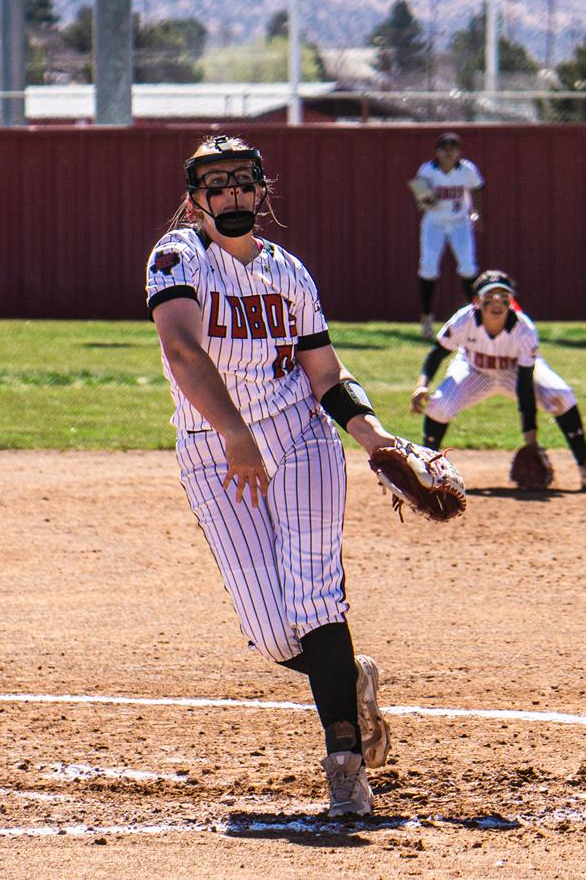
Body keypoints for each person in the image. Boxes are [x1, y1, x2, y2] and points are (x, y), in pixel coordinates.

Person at [146, 134, 401, 818]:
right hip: (214, 447)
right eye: (216, 185)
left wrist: (375, 440)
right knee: (273, 633)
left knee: (317, 593)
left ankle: (344, 764)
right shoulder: (178, 257)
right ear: (195, 196)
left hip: (298, 438)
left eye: (242, 183)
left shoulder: (288, 271)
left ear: (261, 191)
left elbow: (325, 371)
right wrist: (235, 433)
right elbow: (181, 347)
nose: (231, 196)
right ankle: (348, 678)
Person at [410, 269, 586, 492]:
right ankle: (427, 469)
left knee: (560, 394)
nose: (497, 302)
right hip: (474, 370)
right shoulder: (464, 319)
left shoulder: (524, 329)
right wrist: (422, 385)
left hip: (514, 372)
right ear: (477, 301)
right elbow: (438, 352)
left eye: (503, 296)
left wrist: (530, 436)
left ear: (510, 300)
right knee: (439, 405)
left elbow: (525, 385)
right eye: (490, 296)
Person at [411, 131, 483, 340]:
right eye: (445, 150)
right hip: (435, 222)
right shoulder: (428, 170)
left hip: (460, 221)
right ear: (438, 152)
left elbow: (477, 187)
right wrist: (425, 200)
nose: (449, 154)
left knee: (468, 266)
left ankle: (475, 316)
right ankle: (426, 318)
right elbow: (420, 196)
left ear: (459, 152)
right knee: (428, 267)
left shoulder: (466, 170)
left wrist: (476, 211)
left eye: (453, 150)